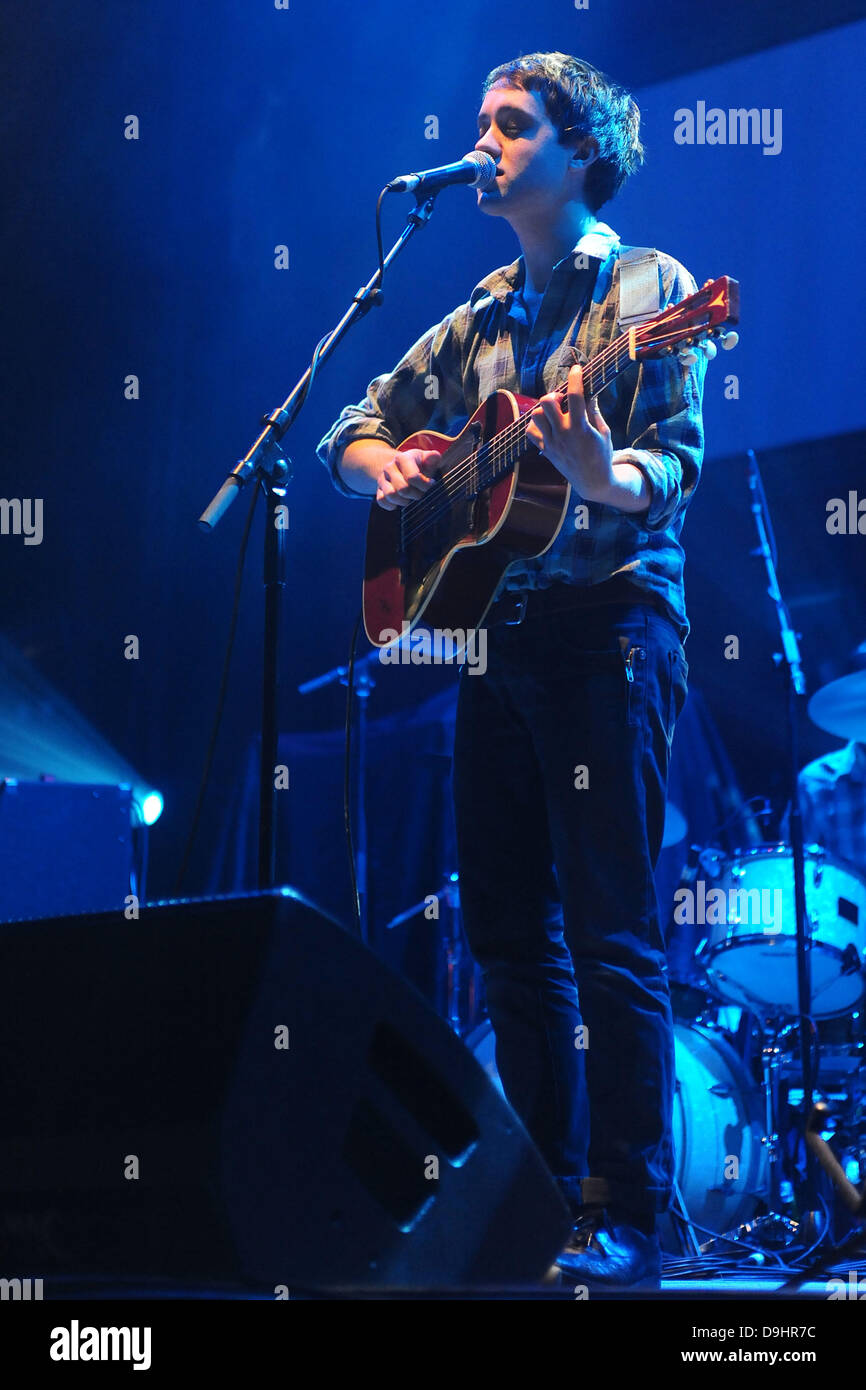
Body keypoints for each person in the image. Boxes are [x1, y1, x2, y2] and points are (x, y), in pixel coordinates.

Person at [317, 51, 707, 1288]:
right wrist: (385, 469)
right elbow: (349, 426)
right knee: (503, 933)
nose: (480, 142)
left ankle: (628, 1215)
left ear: (578, 149)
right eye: (479, 122)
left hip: (608, 628)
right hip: (492, 637)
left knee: (609, 930)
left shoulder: (653, 290)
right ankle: (541, 1206)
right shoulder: (481, 313)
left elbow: (670, 466)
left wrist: (600, 473)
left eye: (509, 124)